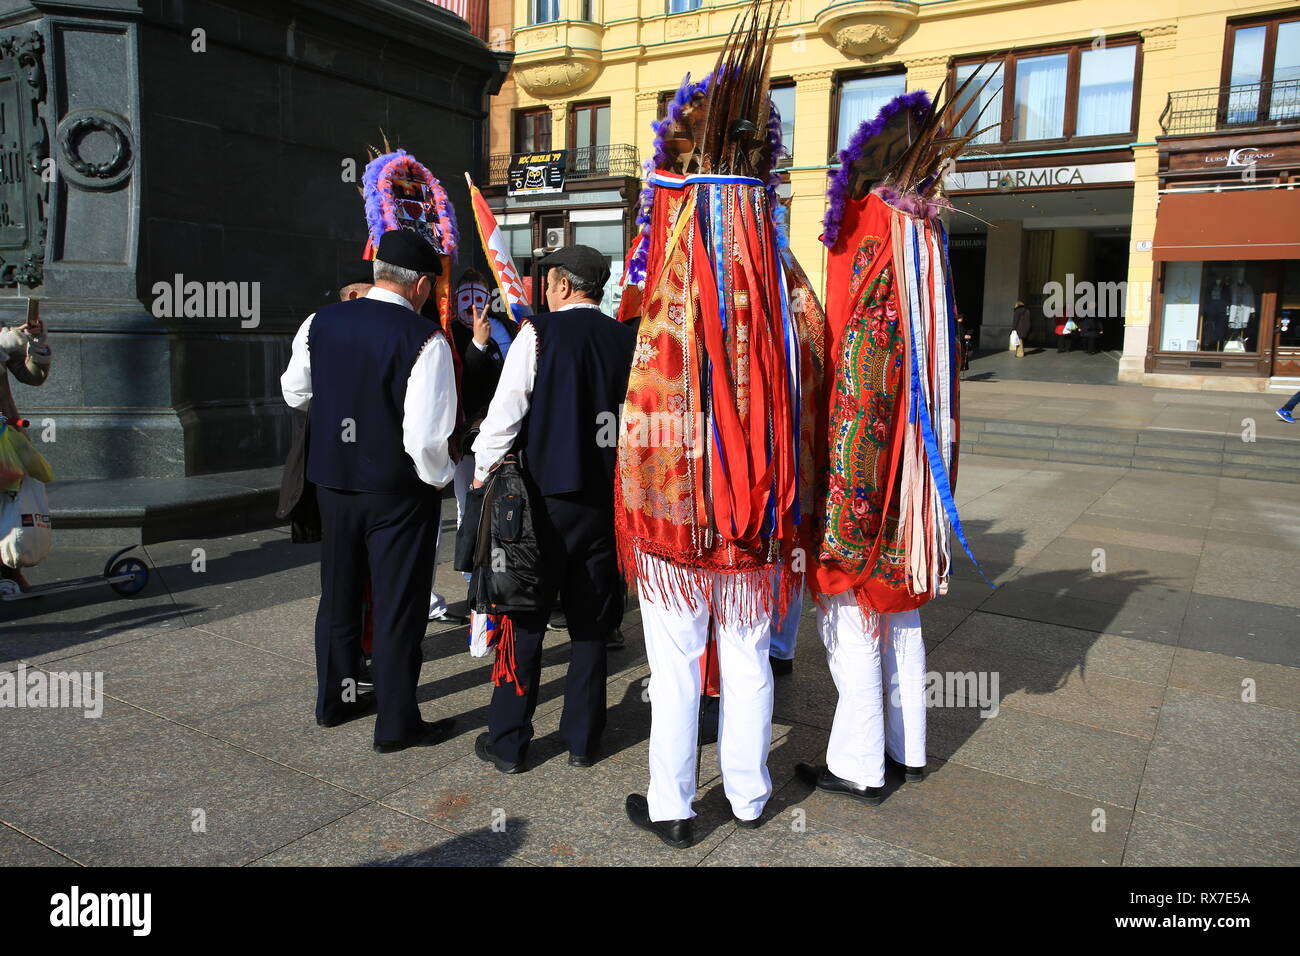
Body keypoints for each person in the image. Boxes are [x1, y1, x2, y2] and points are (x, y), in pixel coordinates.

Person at [280, 228, 458, 752]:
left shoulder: (321, 320)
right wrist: (441, 479)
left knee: (338, 595)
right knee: (397, 605)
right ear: (421, 284)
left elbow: (295, 392)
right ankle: (397, 723)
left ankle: (336, 699)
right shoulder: (425, 339)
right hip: (397, 493)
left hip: (334, 483)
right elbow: (426, 438)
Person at [471, 245, 635, 773]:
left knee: (524, 615)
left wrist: (483, 468)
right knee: (592, 620)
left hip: (542, 499)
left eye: (548, 281)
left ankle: (509, 740)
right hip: (606, 499)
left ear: (564, 285)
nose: (544, 290)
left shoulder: (537, 334)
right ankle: (584, 738)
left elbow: (506, 411)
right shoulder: (625, 339)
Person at [0, 307, 53, 592]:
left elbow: (32, 376)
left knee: (11, 498)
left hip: (5, 435)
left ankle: (9, 570)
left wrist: (36, 345)